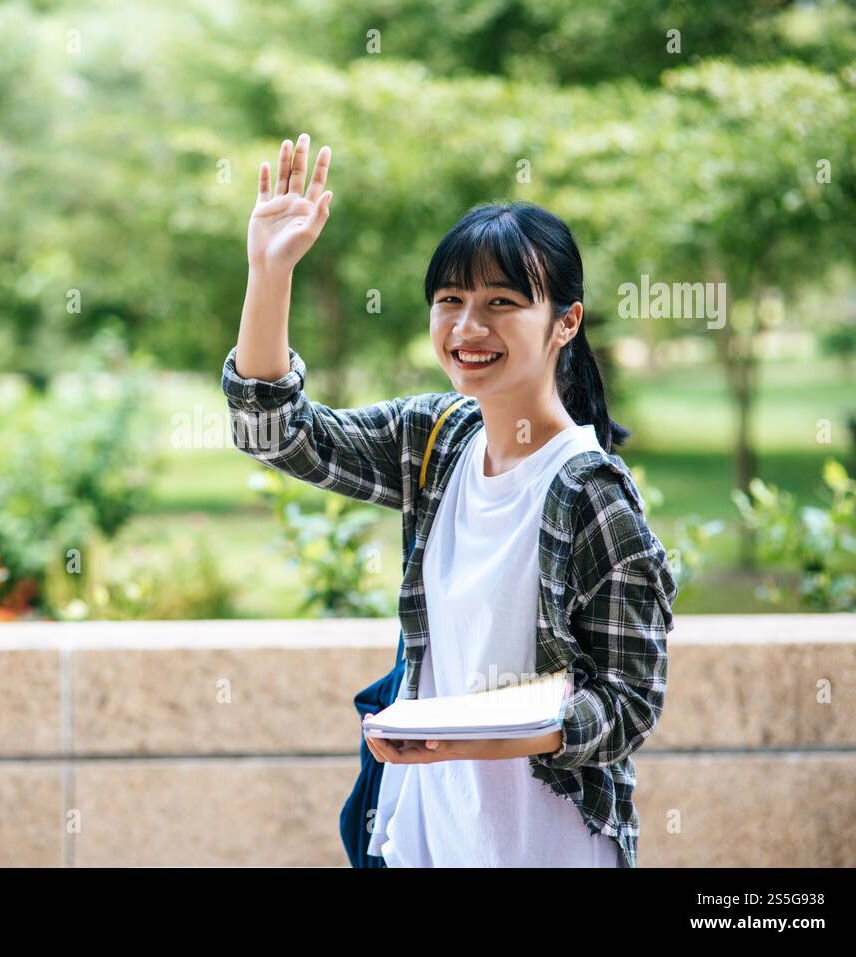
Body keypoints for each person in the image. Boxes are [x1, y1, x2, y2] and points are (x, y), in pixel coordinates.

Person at [221, 133, 678, 867]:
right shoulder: (436, 438)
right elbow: (276, 433)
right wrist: (269, 272)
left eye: (502, 302)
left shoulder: (591, 494)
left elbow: (628, 701)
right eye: (450, 300)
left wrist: (491, 733)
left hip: (543, 843)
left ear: (566, 321)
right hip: (423, 835)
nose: (468, 328)